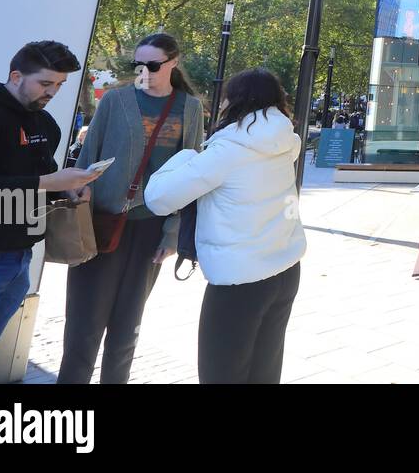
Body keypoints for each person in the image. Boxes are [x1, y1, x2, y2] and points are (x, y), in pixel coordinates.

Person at [0, 41, 99, 384]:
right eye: (46, 83)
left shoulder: (44, 124)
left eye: (59, 84)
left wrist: (67, 187)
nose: (53, 92)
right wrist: (46, 180)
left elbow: (37, 180)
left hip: (17, 260)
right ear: (16, 76)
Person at [58, 33, 205, 384]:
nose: (144, 71)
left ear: (173, 63)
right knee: (84, 324)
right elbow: (89, 157)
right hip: (102, 223)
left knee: (128, 325)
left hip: (151, 227)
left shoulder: (190, 108)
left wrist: (173, 234)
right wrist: (80, 193)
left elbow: (190, 175)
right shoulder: (116, 100)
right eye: (137, 64)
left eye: (152, 65)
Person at [145, 68, 306, 384]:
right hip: (285, 269)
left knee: (222, 373)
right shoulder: (287, 142)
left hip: (240, 279)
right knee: (264, 372)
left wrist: (186, 157)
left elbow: (158, 198)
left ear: (235, 101)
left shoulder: (227, 151)